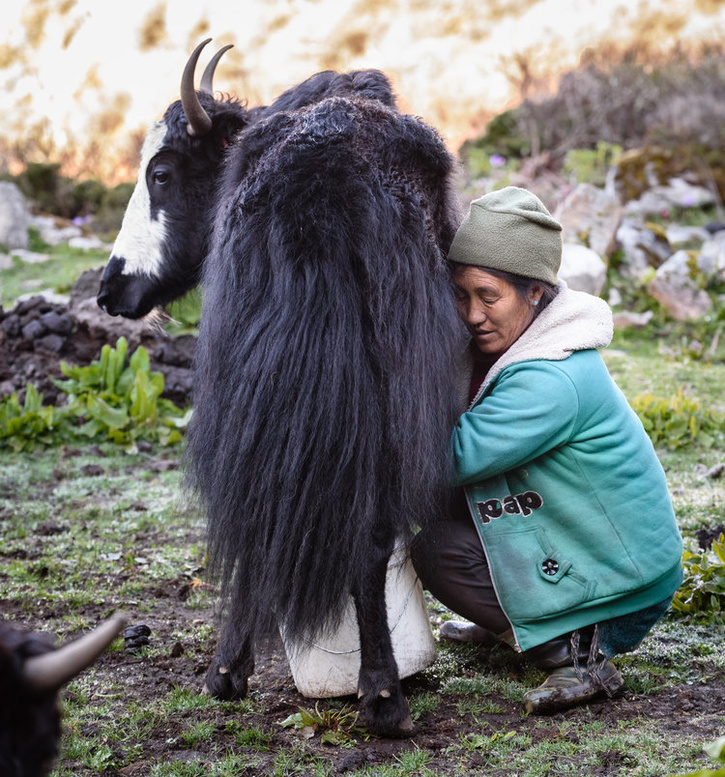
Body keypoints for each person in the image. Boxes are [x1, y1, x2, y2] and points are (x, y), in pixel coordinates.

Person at [411, 186, 683, 714]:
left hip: (624, 585)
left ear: (535, 293)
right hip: (583, 545)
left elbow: (450, 458)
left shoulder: (551, 378)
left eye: (488, 297)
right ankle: (518, 618)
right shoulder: (510, 346)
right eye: (460, 296)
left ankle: (577, 655)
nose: (471, 314)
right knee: (441, 509)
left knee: (437, 548)